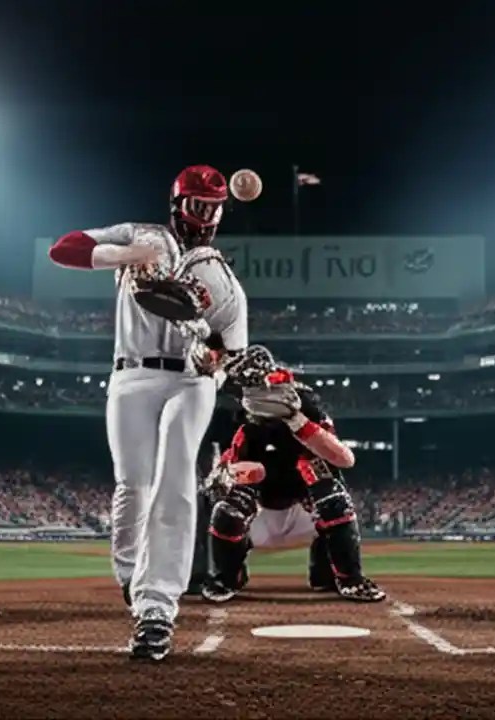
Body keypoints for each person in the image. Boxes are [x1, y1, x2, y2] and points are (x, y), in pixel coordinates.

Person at [48, 164, 248, 662]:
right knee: (132, 483)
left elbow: (231, 351)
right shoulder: (141, 234)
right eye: (198, 205)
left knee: (176, 477)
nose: (206, 216)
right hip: (130, 374)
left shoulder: (224, 279)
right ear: (178, 203)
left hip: (189, 379)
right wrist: (126, 255)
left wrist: (214, 363)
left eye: (214, 208)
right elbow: (63, 248)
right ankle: (130, 574)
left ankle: (157, 607)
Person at [200, 359, 385, 604]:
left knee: (332, 496)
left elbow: (344, 459)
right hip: (259, 518)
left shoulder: (309, 412)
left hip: (305, 517)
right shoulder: (243, 425)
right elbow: (221, 476)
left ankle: (345, 576)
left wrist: (297, 422)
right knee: (228, 506)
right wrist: (229, 475)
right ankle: (227, 577)